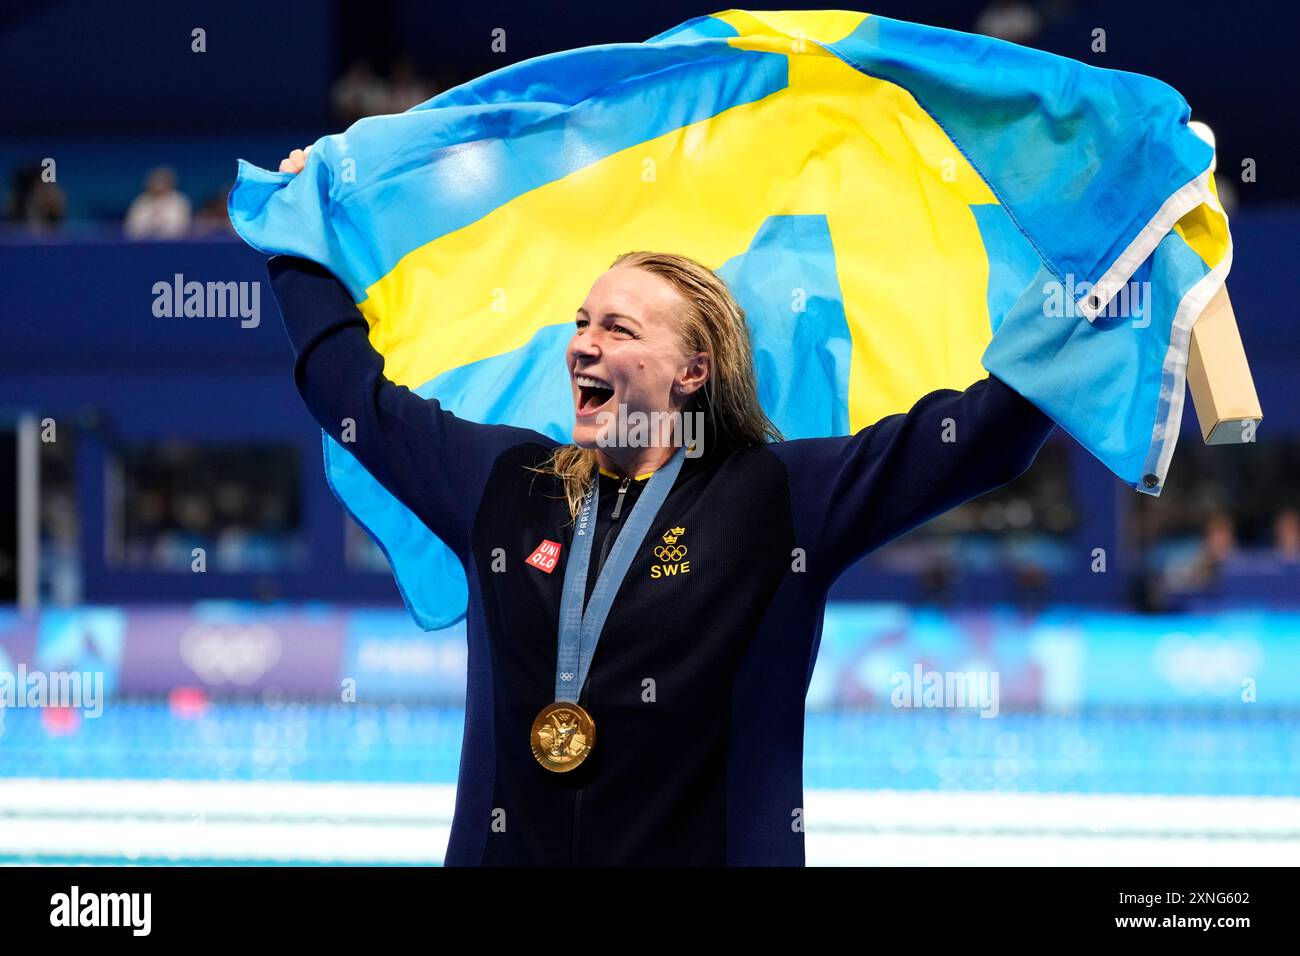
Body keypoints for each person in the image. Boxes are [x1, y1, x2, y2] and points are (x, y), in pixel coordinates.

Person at [269, 147, 1055, 865]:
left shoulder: (778, 499)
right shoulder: (506, 481)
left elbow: (987, 434)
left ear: (691, 371)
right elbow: (349, 395)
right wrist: (296, 236)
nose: (583, 344)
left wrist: (1107, 270)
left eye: (618, 328)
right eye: (580, 324)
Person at [124, 166, 191, 239]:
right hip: (143, 245)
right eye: (155, 182)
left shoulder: (179, 201)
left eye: (162, 182)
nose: (158, 186)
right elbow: (132, 227)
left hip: (173, 244)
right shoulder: (141, 201)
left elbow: (182, 226)